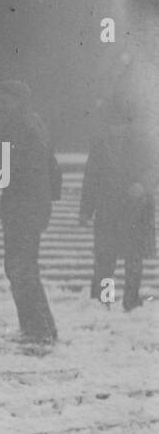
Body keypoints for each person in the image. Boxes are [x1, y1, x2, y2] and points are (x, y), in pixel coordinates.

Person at [81, 56, 159, 311]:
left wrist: (143, 185)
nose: (116, 129)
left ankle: (131, 300)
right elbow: (90, 178)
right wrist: (85, 210)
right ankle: (104, 300)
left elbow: (154, 167)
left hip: (134, 207)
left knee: (133, 259)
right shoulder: (101, 144)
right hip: (109, 207)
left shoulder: (142, 138)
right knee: (105, 259)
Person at [0, 80, 59, 343]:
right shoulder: (34, 123)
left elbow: (11, 167)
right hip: (33, 206)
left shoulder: (18, 126)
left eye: (5, 99)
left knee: (19, 268)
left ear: (16, 100)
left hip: (22, 206)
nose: (1, 104)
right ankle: (44, 327)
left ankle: (36, 330)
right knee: (26, 268)